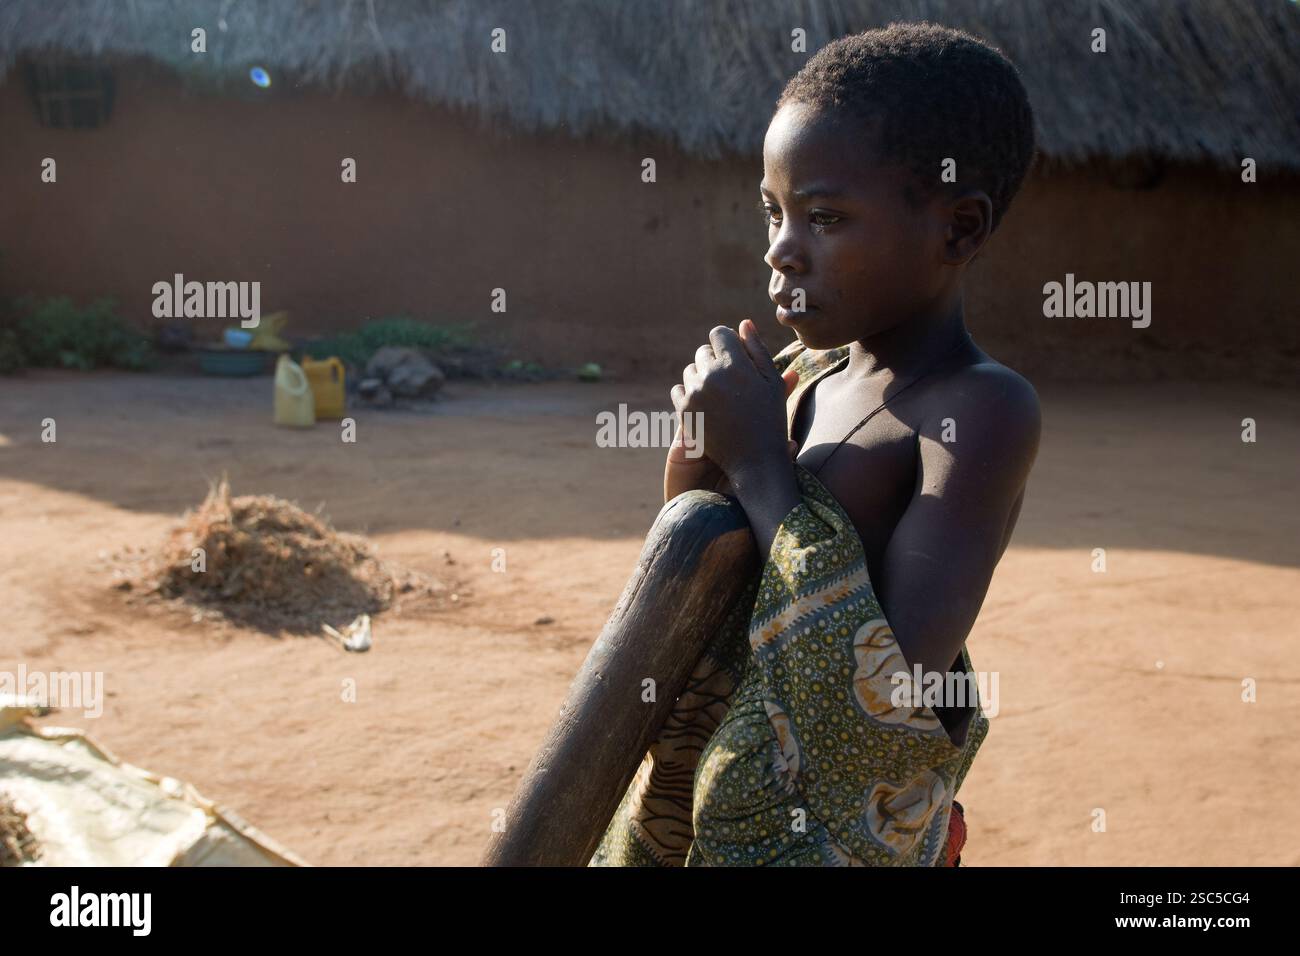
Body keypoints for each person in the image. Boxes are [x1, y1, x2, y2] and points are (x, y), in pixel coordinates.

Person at [591, 21, 1040, 867]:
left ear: (959, 229)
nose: (780, 249)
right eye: (774, 211)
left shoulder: (980, 411)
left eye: (824, 217)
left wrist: (762, 461)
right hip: (691, 810)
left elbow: (889, 703)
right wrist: (704, 443)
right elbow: (704, 571)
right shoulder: (802, 377)